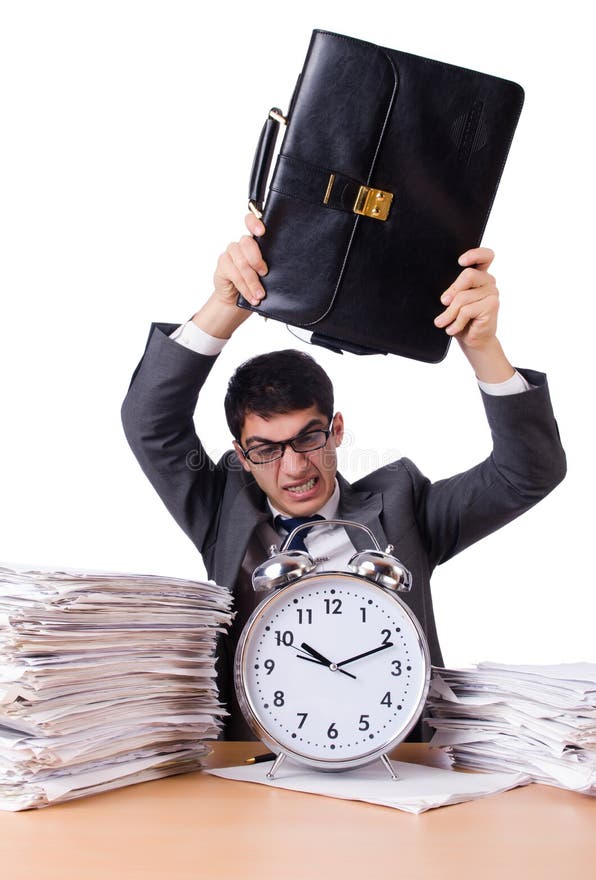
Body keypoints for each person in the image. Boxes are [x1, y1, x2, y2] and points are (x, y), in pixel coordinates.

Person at [121, 212, 566, 740]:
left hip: (395, 767)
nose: (294, 467)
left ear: (335, 430)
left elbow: (527, 473)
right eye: (266, 449)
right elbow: (150, 422)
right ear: (240, 454)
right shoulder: (222, 511)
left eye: (309, 438)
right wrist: (226, 304)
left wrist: (483, 348)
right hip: (251, 775)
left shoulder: (403, 508)